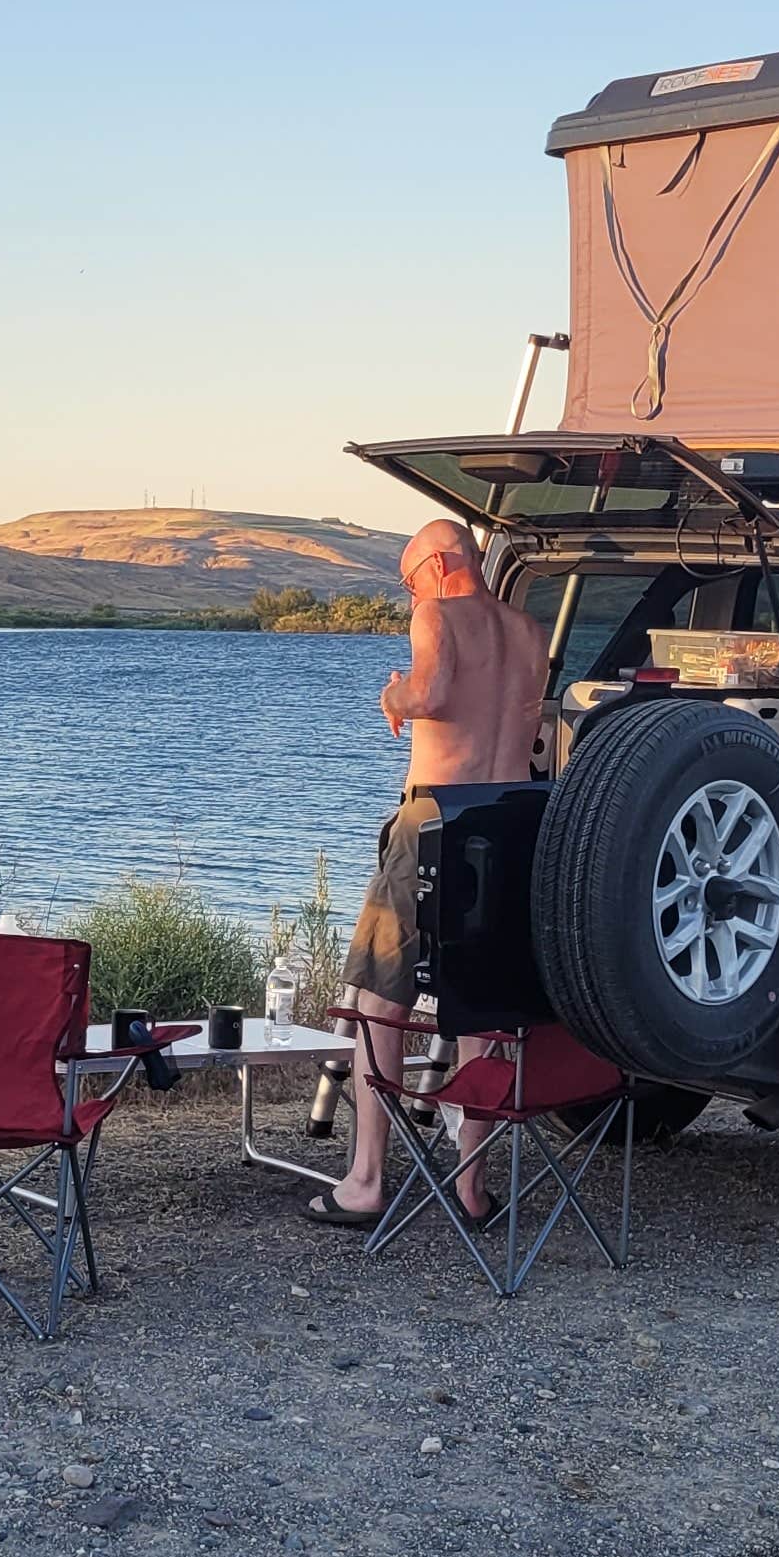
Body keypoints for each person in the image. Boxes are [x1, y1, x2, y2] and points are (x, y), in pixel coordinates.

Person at [309, 517, 547, 1229]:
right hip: (507, 823)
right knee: (480, 1006)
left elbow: (436, 693)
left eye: (408, 580)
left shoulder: (437, 612)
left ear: (439, 566)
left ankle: (365, 1180)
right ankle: (471, 1188)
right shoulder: (529, 630)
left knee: (379, 1000)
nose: (409, 595)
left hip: (436, 822)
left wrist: (395, 696)